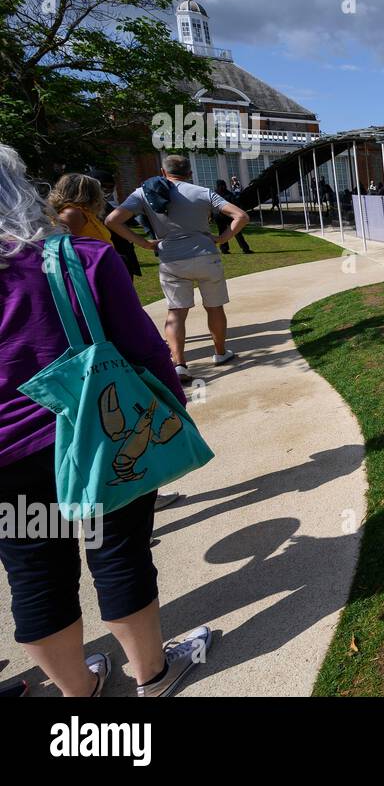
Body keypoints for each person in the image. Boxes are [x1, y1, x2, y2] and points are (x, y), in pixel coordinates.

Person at [0, 144, 212, 696]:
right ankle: (152, 675)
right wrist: (172, 412)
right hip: (99, 433)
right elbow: (146, 351)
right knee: (118, 550)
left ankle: (78, 692)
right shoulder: (80, 259)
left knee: (35, 574)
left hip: (5, 459)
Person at [106, 154, 249, 383]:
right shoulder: (203, 192)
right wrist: (222, 238)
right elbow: (241, 216)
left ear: (163, 172)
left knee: (176, 312)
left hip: (171, 258)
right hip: (206, 256)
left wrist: (143, 243)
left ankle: (180, 363)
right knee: (214, 307)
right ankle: (220, 352)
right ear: (189, 173)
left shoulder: (143, 193)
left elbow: (112, 220)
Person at [213, 180, 253, 255]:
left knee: (224, 232)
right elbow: (236, 204)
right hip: (226, 215)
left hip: (221, 216)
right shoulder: (228, 194)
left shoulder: (215, 194)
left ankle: (225, 249)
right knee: (235, 232)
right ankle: (244, 248)